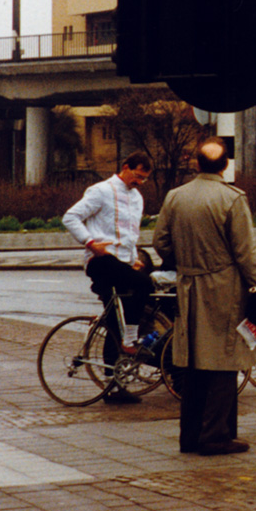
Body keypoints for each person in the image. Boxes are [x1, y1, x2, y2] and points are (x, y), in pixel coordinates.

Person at [152, 138, 256, 456]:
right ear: (225, 165)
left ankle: (190, 436)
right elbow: (246, 254)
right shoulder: (232, 198)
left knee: (192, 362)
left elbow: (161, 242)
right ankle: (216, 434)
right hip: (224, 288)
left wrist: (184, 263)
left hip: (188, 287)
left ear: (196, 164)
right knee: (223, 360)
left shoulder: (176, 196)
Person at [61, 152, 155, 404]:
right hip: (101, 261)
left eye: (144, 179)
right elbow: (70, 217)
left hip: (121, 263)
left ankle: (113, 385)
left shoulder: (137, 198)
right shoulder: (101, 191)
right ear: (125, 167)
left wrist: (133, 259)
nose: (139, 182)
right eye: (137, 176)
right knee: (143, 284)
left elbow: (130, 234)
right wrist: (90, 242)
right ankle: (130, 340)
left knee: (115, 320)